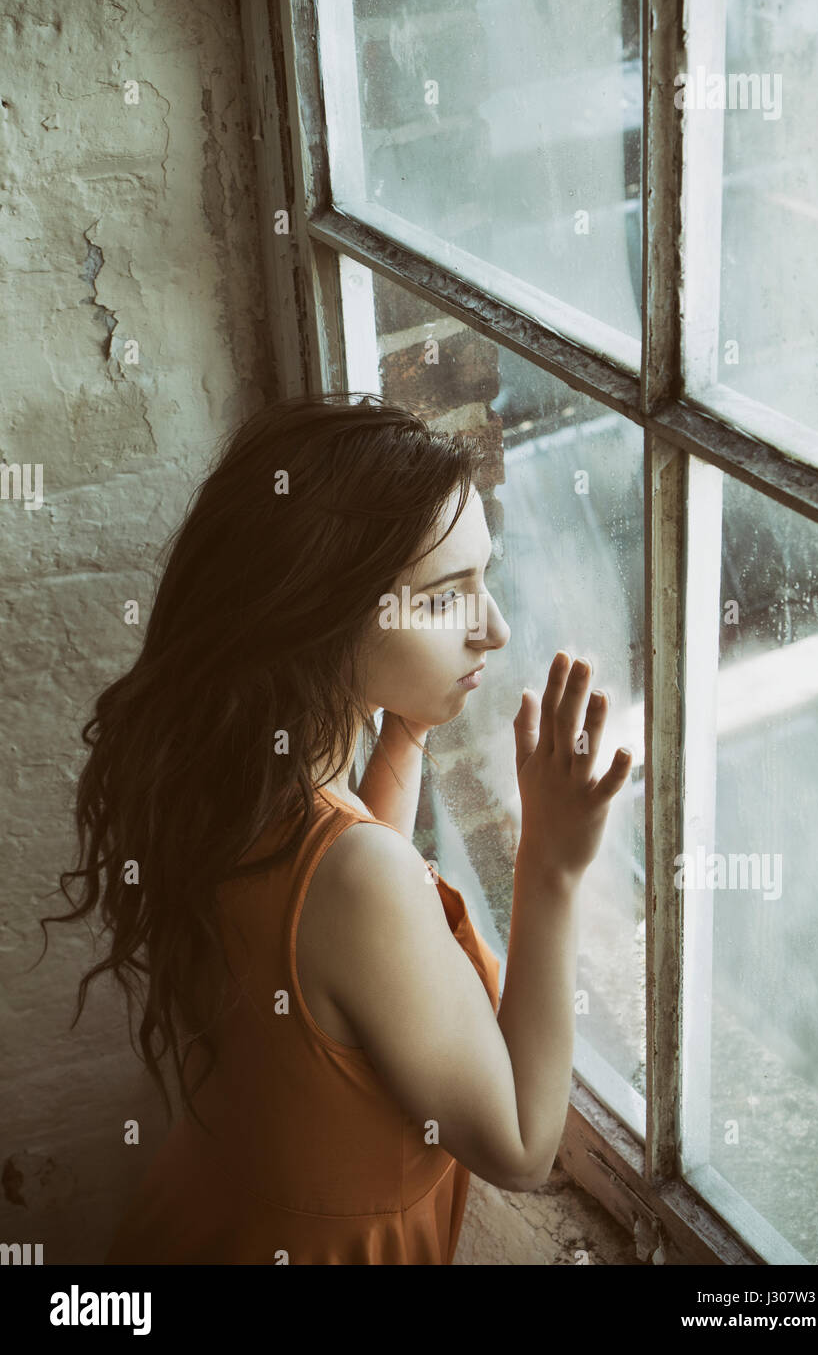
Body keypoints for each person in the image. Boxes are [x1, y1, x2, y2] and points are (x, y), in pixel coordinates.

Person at [42, 392, 632, 1264]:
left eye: (487, 576)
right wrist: (550, 866)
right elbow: (521, 1145)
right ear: (323, 613)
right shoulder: (353, 877)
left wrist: (405, 727)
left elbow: (348, 916)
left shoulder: (221, 776)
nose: (495, 629)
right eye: (446, 598)